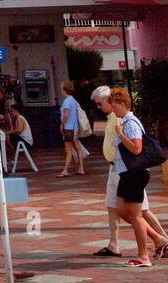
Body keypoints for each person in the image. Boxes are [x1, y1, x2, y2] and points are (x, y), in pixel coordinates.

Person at [91, 84, 168, 258]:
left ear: (119, 103)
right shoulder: (117, 119)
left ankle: (151, 249)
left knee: (138, 213)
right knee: (122, 210)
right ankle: (126, 245)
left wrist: (121, 135)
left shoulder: (127, 121)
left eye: (101, 103)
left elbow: (136, 148)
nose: (100, 107)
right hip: (122, 170)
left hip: (132, 171)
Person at [59, 79, 86, 176]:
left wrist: (62, 124)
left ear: (64, 89)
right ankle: (81, 168)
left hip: (68, 127)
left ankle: (65, 170)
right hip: (74, 127)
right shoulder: (73, 100)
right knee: (77, 148)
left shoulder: (66, 101)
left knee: (68, 149)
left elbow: (66, 114)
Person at [6, 101, 36, 168]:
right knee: (7, 137)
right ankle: (11, 153)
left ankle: (12, 153)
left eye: (12, 111)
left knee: (7, 136)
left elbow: (19, 130)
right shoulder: (17, 119)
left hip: (26, 141)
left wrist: (8, 132)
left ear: (16, 111)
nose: (11, 113)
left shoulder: (20, 118)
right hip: (23, 140)